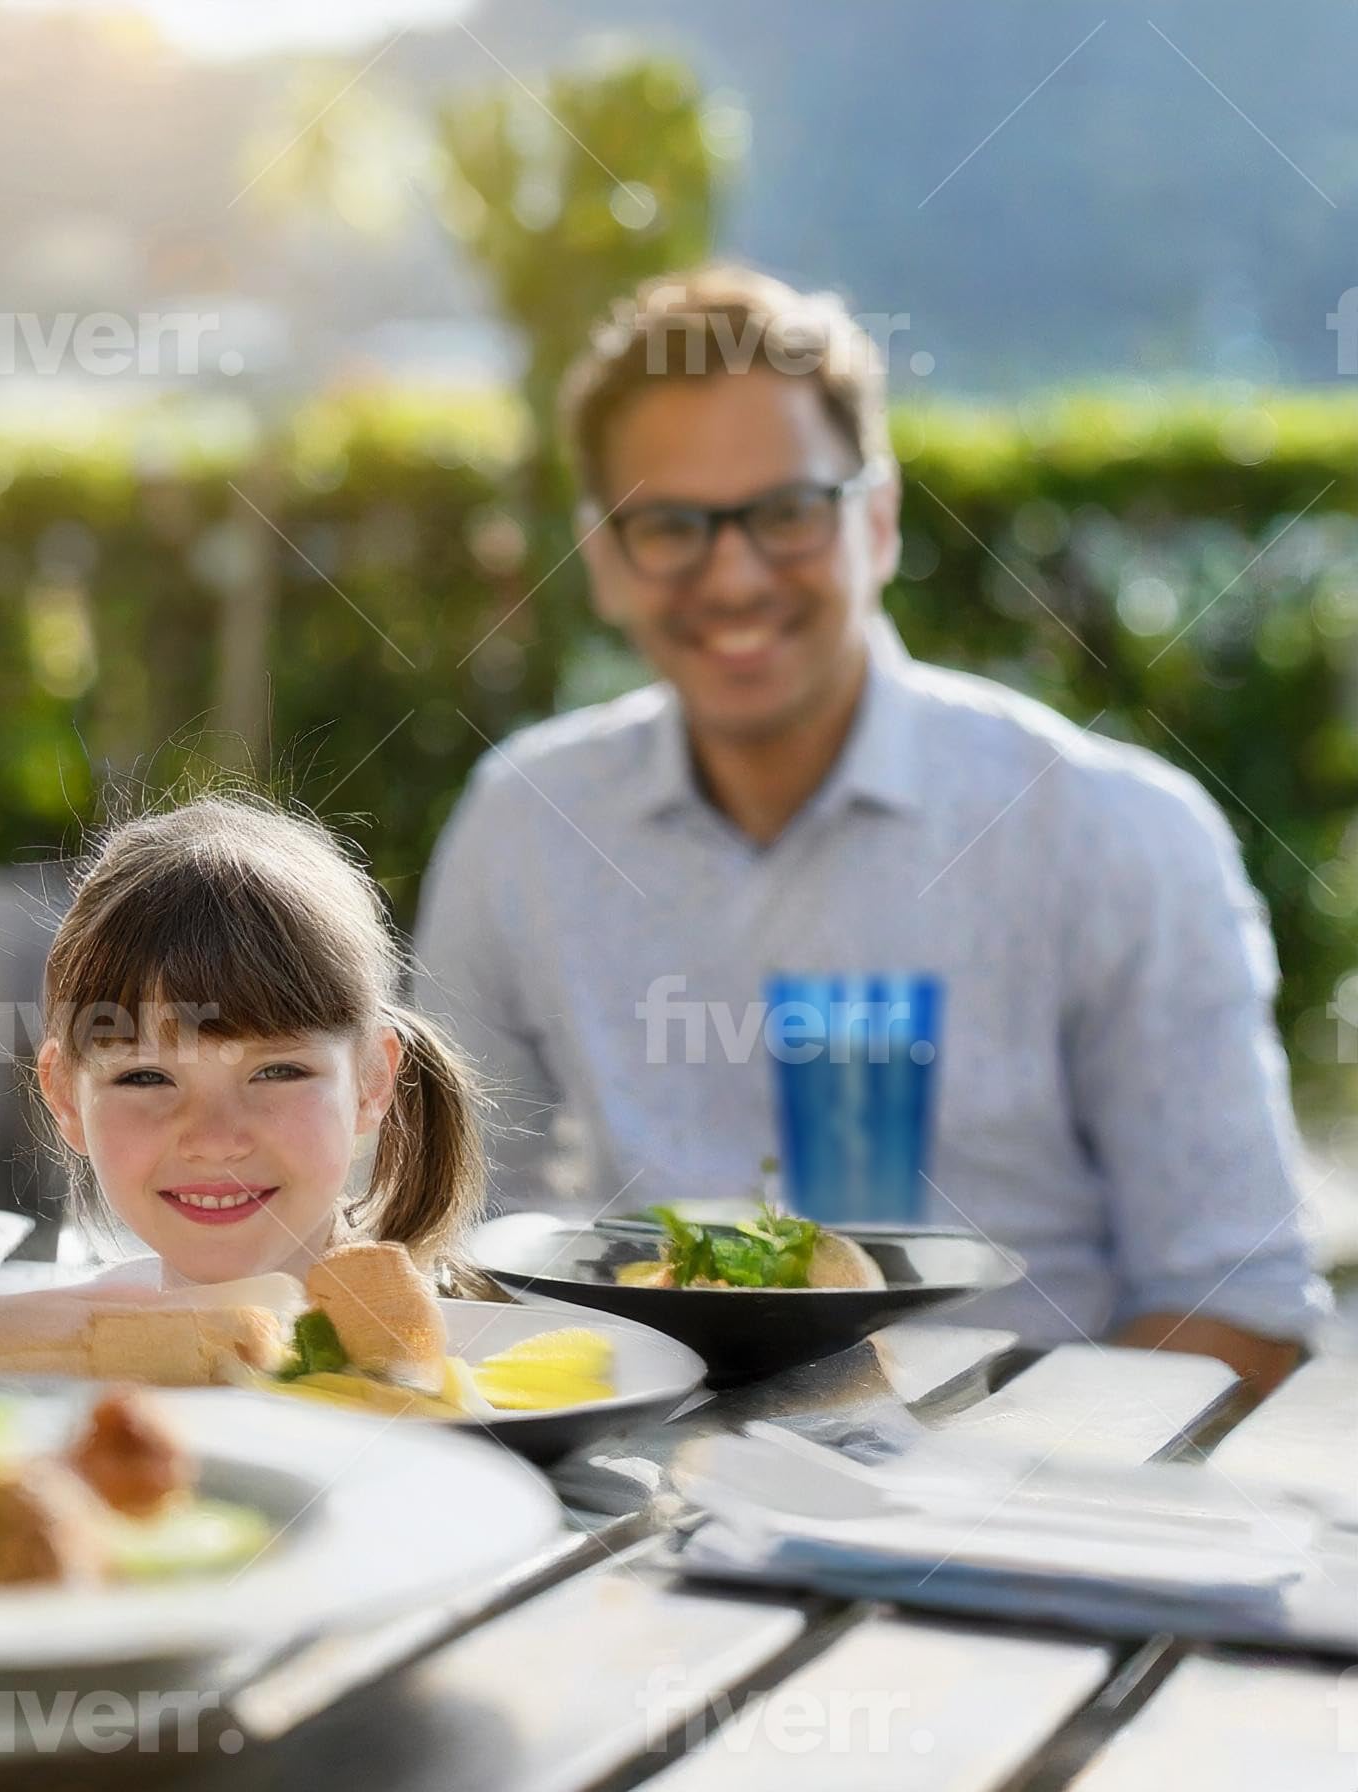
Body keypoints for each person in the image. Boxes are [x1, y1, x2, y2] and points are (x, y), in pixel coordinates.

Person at [415, 264, 1324, 1392]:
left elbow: (1238, 1301)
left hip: (1016, 1517)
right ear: (601, 557)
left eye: (788, 513)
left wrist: (992, 1507)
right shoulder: (525, 822)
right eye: (671, 527)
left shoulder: (1114, 833)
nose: (735, 576)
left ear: (880, 520)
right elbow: (445, 1234)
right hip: (626, 1497)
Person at [0, 795, 487, 1377]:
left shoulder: (470, 1348)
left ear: (372, 1080)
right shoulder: (60, 1331)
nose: (214, 1139)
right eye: (147, 1076)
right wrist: (0, 1328)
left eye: (276, 1071)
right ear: (64, 1098)